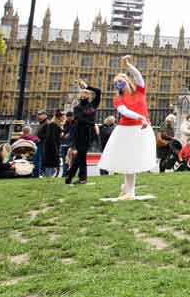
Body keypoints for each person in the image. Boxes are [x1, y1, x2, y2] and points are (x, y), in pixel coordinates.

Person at [97, 56, 157, 200]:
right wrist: (139, 117)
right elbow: (124, 111)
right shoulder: (118, 98)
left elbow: (138, 75)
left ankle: (128, 188)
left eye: (120, 82)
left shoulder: (140, 91)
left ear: (127, 81)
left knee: (134, 160)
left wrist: (128, 65)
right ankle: (129, 191)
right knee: (128, 160)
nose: (119, 85)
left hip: (141, 130)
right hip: (126, 130)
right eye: (116, 84)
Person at [65, 80, 100, 185]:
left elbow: (98, 91)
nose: (84, 95)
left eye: (86, 93)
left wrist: (87, 86)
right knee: (82, 155)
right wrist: (92, 123)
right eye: (83, 94)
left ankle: (70, 176)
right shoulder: (77, 108)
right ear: (80, 96)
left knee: (81, 155)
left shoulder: (93, 104)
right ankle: (82, 178)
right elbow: (79, 120)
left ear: (89, 96)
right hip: (80, 133)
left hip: (89, 133)